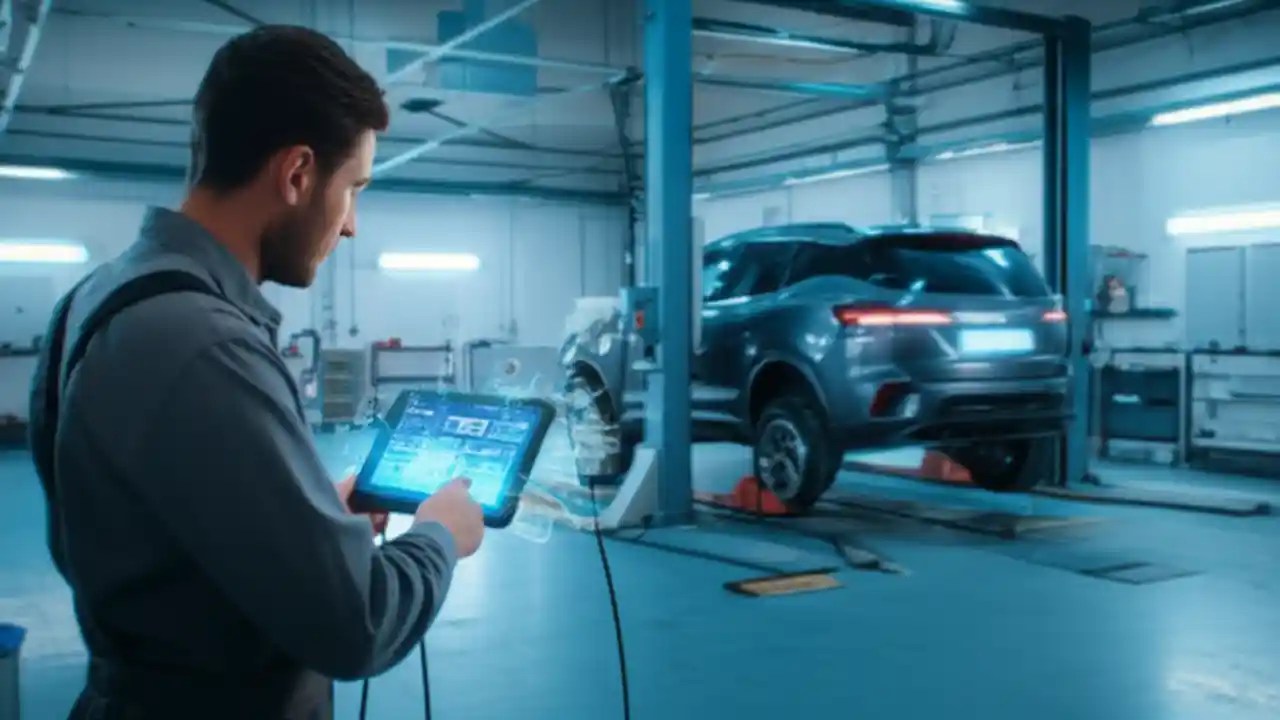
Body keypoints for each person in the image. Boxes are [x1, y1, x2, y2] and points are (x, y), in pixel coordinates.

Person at [29, 26, 485, 719]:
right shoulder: (205, 342)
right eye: (353, 188)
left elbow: (125, 531)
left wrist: (304, 515)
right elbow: (355, 625)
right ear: (298, 174)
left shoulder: (95, 297)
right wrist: (439, 535)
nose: (353, 224)